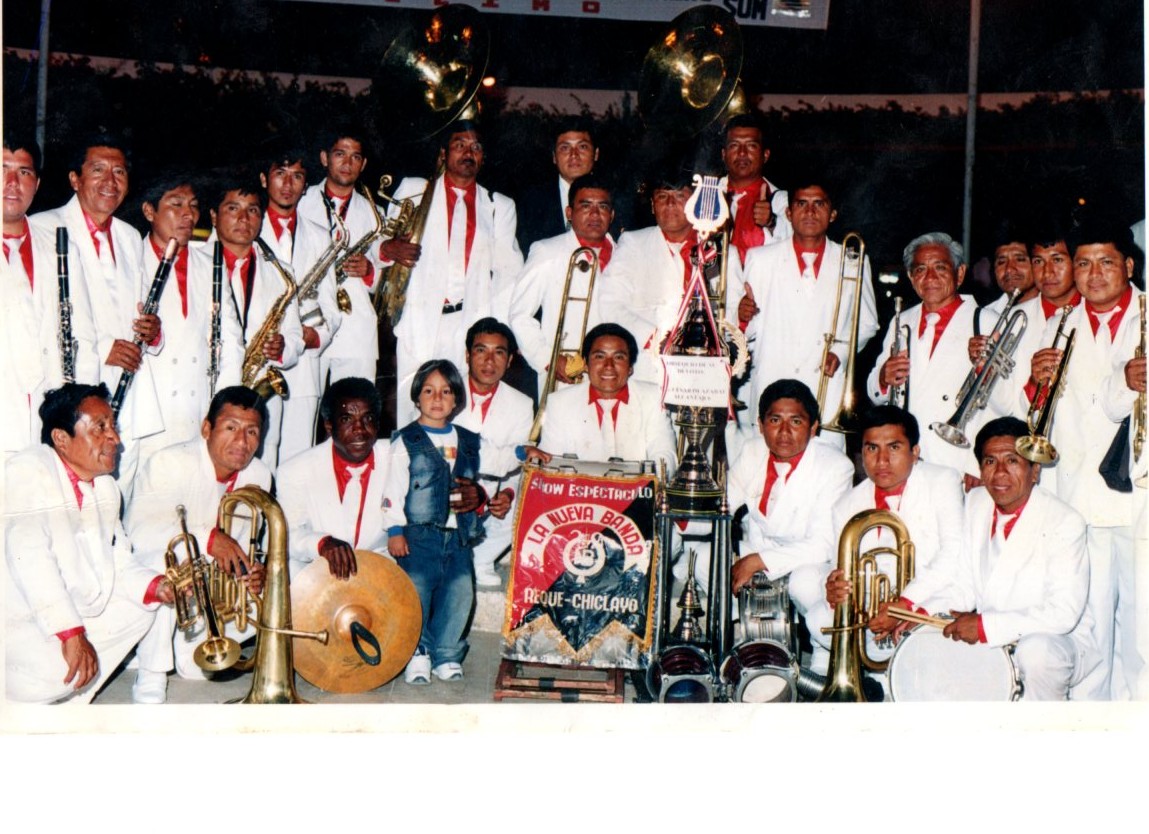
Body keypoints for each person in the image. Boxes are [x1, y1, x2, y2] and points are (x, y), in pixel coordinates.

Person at [1030, 216, 1143, 700]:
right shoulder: (1059, 326)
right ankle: (1090, 724)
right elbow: (1037, 417)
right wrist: (1034, 382)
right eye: (1083, 264)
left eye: (1106, 263)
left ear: (1129, 265)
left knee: (1142, 623)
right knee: (1090, 628)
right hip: (1078, 495)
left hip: (1138, 495)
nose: (1094, 275)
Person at [5, 383, 174, 704]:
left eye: (113, 426)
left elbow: (120, 560)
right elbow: (30, 556)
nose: (116, 439)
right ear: (61, 439)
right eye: (100, 428)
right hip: (17, 620)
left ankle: (71, 698)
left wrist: (155, 586)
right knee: (51, 676)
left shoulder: (106, 489)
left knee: (145, 606)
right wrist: (70, 632)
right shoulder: (29, 468)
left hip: (72, 608)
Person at [30, 135, 161, 498]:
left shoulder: (130, 236)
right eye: (98, 170)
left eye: (119, 172)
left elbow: (140, 309)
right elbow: (43, 314)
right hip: (78, 393)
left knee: (120, 499)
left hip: (129, 393)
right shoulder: (42, 227)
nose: (110, 181)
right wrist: (102, 348)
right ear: (75, 179)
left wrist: (153, 331)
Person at [124, 386, 272, 703]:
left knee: (196, 669)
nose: (242, 442)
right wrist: (207, 539)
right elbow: (139, 535)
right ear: (207, 428)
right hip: (168, 583)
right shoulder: (168, 462)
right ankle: (151, 669)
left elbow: (245, 544)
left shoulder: (260, 474)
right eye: (231, 428)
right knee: (165, 564)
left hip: (210, 593)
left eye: (252, 432)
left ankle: (182, 644)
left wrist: (250, 570)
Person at [939, 417, 1093, 701]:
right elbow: (963, 583)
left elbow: (1063, 613)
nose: (999, 473)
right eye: (989, 462)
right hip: (994, 630)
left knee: (1035, 653)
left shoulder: (1065, 521)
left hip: (1054, 639)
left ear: (1035, 471)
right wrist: (928, 614)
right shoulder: (975, 502)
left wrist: (985, 627)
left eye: (1012, 461)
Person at [380, 121, 524, 423]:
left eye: (476, 148)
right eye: (460, 145)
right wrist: (389, 249)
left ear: (483, 157)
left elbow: (509, 274)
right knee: (411, 409)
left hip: (469, 322)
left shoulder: (499, 205)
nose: (468, 153)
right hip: (418, 319)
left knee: (461, 411)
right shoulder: (414, 189)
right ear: (444, 153)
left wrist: (491, 329)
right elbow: (381, 241)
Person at [812, 406, 964, 675]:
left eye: (894, 447)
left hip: (928, 597)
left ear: (915, 452)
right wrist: (835, 588)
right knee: (817, 618)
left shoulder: (943, 480)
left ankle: (890, 670)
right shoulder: (845, 505)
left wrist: (905, 605)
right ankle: (876, 670)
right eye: (871, 449)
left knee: (926, 640)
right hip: (877, 607)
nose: (881, 460)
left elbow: (953, 555)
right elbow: (845, 571)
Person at [738, 179, 879, 448]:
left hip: (825, 387)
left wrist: (841, 352)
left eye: (819, 204)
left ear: (833, 213)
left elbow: (868, 322)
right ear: (788, 213)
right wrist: (743, 315)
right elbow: (749, 331)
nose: (810, 212)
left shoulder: (853, 259)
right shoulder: (761, 259)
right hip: (773, 381)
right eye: (801, 204)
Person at [383, 359, 486, 685]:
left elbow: (492, 464)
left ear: (456, 400)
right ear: (416, 398)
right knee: (416, 593)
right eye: (428, 391)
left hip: (458, 536)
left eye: (445, 391)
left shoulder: (467, 440)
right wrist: (395, 529)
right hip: (418, 534)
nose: (437, 398)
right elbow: (393, 487)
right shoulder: (406, 441)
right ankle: (418, 652)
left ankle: (447, 654)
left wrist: (520, 452)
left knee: (459, 593)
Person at [2, 128, 99, 455]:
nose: (12, 182)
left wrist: (80, 418)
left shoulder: (60, 248)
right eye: (2, 168)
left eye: (23, 172)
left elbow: (83, 337)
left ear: (37, 184)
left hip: (49, 424)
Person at [136, 175, 245, 459]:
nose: (189, 214)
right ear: (149, 211)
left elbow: (232, 342)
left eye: (193, 205)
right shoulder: (131, 259)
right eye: (176, 204)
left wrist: (224, 410)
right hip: (148, 413)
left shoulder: (211, 265)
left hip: (199, 408)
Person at [727, 379, 853, 621]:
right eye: (775, 421)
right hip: (760, 547)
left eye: (795, 422)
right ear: (761, 425)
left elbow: (822, 545)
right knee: (703, 559)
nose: (784, 432)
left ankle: (818, 649)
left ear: (813, 427)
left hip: (808, 561)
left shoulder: (836, 466)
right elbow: (722, 509)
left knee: (803, 584)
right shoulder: (752, 451)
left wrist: (758, 561)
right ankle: (742, 629)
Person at [601, 167, 739, 388]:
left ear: (694, 203)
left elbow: (732, 310)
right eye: (662, 197)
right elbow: (609, 302)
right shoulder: (632, 243)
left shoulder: (720, 251)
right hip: (647, 369)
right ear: (653, 206)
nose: (670, 203)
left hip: (703, 370)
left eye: (679, 196)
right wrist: (654, 339)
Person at [865, 232, 981, 479]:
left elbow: (999, 403)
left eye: (940, 267)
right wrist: (884, 378)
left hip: (958, 459)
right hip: (908, 458)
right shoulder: (902, 320)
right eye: (920, 270)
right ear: (910, 277)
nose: (930, 278)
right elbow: (874, 392)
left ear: (960, 273)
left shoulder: (985, 321)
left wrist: (977, 464)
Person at [208, 177, 304, 470]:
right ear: (213, 215)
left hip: (259, 397)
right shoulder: (194, 262)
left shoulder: (281, 272)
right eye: (233, 208)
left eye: (252, 210)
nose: (243, 218)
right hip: (209, 391)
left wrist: (283, 347)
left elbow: (296, 336)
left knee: (258, 480)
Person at [259, 144, 343, 461]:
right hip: (258, 365)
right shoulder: (245, 227)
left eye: (297, 176)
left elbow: (331, 309)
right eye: (280, 174)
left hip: (305, 364)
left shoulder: (322, 236)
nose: (288, 184)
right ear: (264, 179)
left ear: (305, 184)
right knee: (257, 457)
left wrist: (315, 336)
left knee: (298, 459)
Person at [508, 172, 615, 396]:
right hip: (566, 376)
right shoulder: (547, 251)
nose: (595, 214)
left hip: (615, 375)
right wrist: (549, 359)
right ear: (569, 213)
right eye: (585, 206)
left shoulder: (626, 254)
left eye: (602, 207)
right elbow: (520, 315)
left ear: (612, 214)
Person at [278, 377, 393, 580]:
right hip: (319, 577)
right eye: (347, 420)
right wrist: (321, 543)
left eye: (368, 419)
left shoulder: (398, 457)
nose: (359, 430)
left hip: (381, 573)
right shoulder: (294, 471)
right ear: (329, 426)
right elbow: (286, 535)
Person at [521, 323, 676, 471]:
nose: (608, 365)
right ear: (586, 365)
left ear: (630, 368)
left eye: (618, 357)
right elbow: (551, 461)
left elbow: (665, 456)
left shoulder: (653, 398)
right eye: (599, 357)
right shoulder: (559, 403)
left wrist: (646, 484)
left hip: (639, 495)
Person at [297, 127, 383, 385]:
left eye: (355, 157)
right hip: (307, 321)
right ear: (325, 158)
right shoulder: (300, 202)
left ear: (363, 164)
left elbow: (386, 281)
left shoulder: (375, 213)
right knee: (305, 412)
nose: (347, 163)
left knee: (355, 408)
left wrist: (369, 270)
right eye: (340, 154)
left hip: (354, 327)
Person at [453, 318, 535, 586]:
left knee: (530, 501)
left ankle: (480, 559)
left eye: (499, 352)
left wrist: (508, 494)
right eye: (480, 350)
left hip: (490, 493)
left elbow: (516, 467)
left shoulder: (522, 404)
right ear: (467, 355)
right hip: (449, 488)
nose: (489, 361)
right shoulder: (444, 389)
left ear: (510, 359)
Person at [515, 117, 600, 253]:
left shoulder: (615, 201)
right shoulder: (530, 203)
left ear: (596, 154)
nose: (574, 155)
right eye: (565, 148)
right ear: (554, 156)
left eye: (582, 147)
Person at [721, 112, 791, 269]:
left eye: (751, 145)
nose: (742, 153)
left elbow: (793, 251)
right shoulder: (707, 196)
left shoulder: (783, 201)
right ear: (723, 155)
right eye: (734, 145)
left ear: (765, 155)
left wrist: (771, 223)